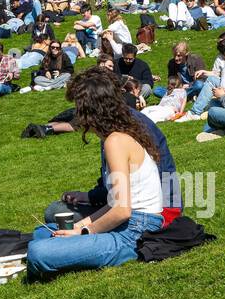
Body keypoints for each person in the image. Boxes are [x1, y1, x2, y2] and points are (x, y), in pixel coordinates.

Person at [25, 70, 167, 278]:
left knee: (38, 252)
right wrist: (80, 225)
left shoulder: (115, 141)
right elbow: (113, 204)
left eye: (78, 108)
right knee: (43, 232)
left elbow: (122, 211)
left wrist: (82, 232)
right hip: (131, 224)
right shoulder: (118, 135)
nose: (76, 114)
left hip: (135, 232)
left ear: (91, 110)